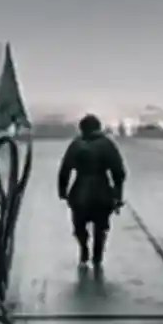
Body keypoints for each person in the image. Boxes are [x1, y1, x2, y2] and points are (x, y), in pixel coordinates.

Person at [57, 114, 126, 267]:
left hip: (80, 191)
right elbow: (118, 172)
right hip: (102, 191)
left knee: (79, 225)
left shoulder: (76, 144)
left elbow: (65, 169)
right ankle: (97, 256)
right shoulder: (107, 144)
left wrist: (62, 190)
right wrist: (118, 194)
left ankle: (84, 250)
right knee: (101, 227)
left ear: (81, 128)